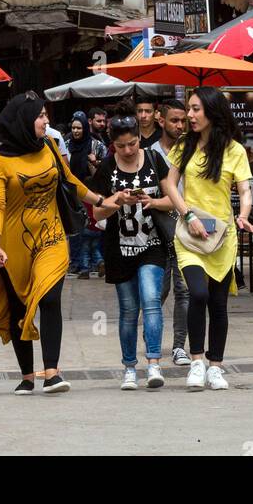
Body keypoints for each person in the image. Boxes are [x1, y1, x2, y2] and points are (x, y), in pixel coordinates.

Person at [0, 96, 104, 394]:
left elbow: (71, 181)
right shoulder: (0, 161)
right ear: (23, 121)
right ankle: (27, 375)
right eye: (40, 116)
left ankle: (52, 372)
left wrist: (101, 201)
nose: (46, 121)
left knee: (49, 297)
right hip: (14, 245)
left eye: (46, 115)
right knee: (19, 308)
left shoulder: (49, 146)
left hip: (51, 238)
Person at [162, 87, 253, 391]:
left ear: (211, 112)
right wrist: (187, 215)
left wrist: (243, 214)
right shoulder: (184, 147)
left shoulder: (234, 151)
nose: (189, 116)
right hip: (190, 235)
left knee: (218, 303)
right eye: (188, 109)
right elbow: (170, 184)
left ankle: (215, 367)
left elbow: (244, 189)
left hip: (221, 237)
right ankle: (195, 361)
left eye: (195, 110)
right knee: (198, 294)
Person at [92, 116, 173, 389]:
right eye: (120, 146)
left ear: (140, 138)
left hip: (152, 244)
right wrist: (118, 201)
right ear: (112, 144)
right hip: (119, 248)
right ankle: (129, 367)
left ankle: (153, 363)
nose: (127, 150)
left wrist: (153, 201)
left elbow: (171, 198)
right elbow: (97, 211)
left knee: (151, 300)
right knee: (128, 310)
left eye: (132, 143)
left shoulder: (153, 159)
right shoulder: (106, 167)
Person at [152, 98, 191, 365]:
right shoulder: (150, 154)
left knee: (184, 290)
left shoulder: (192, 152)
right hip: (157, 232)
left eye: (183, 120)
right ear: (160, 119)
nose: (179, 125)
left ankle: (180, 346)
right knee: (157, 291)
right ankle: (152, 341)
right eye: (174, 120)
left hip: (187, 230)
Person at [66, 113, 103, 276]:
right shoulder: (66, 145)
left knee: (91, 230)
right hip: (72, 194)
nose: (75, 131)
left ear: (85, 128)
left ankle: (91, 263)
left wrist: (94, 162)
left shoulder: (96, 145)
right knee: (75, 230)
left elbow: (103, 173)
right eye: (73, 128)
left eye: (79, 128)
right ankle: (78, 263)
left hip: (91, 192)